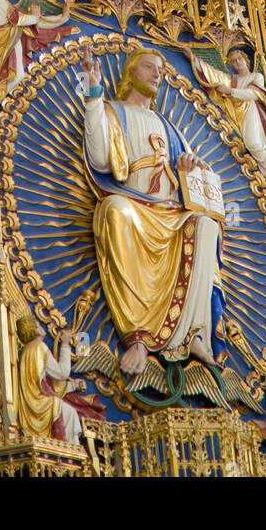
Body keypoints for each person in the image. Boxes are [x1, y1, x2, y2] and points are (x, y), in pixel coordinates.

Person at [80, 43, 225, 376]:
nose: (157, 73)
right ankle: (138, 337)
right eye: (148, 67)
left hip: (169, 211)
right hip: (131, 203)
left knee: (205, 226)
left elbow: (192, 173)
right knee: (114, 211)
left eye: (160, 69)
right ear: (131, 74)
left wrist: (189, 165)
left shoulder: (169, 128)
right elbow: (101, 158)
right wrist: (93, 94)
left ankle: (194, 332)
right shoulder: (114, 111)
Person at [186, 42, 266, 202]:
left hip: (251, 111)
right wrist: (193, 59)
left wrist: (231, 92)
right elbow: (213, 74)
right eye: (233, 61)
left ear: (246, 60)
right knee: (250, 145)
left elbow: (254, 94)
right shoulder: (233, 79)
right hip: (236, 117)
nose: (237, 62)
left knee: (255, 144)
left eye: (239, 58)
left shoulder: (255, 77)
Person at [16, 317, 102, 443]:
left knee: (68, 412)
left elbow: (44, 385)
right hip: (40, 403)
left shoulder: (26, 351)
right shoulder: (39, 347)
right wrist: (66, 345)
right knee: (71, 414)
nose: (40, 326)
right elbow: (62, 373)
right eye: (37, 325)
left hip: (32, 403)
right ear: (34, 330)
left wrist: (73, 386)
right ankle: (72, 453)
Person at [0, 0, 74, 95]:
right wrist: (33, 16)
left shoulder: (7, 4)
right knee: (15, 76)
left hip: (10, 41)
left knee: (18, 76)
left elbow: (39, 22)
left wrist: (63, 18)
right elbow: (16, 20)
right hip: (3, 42)